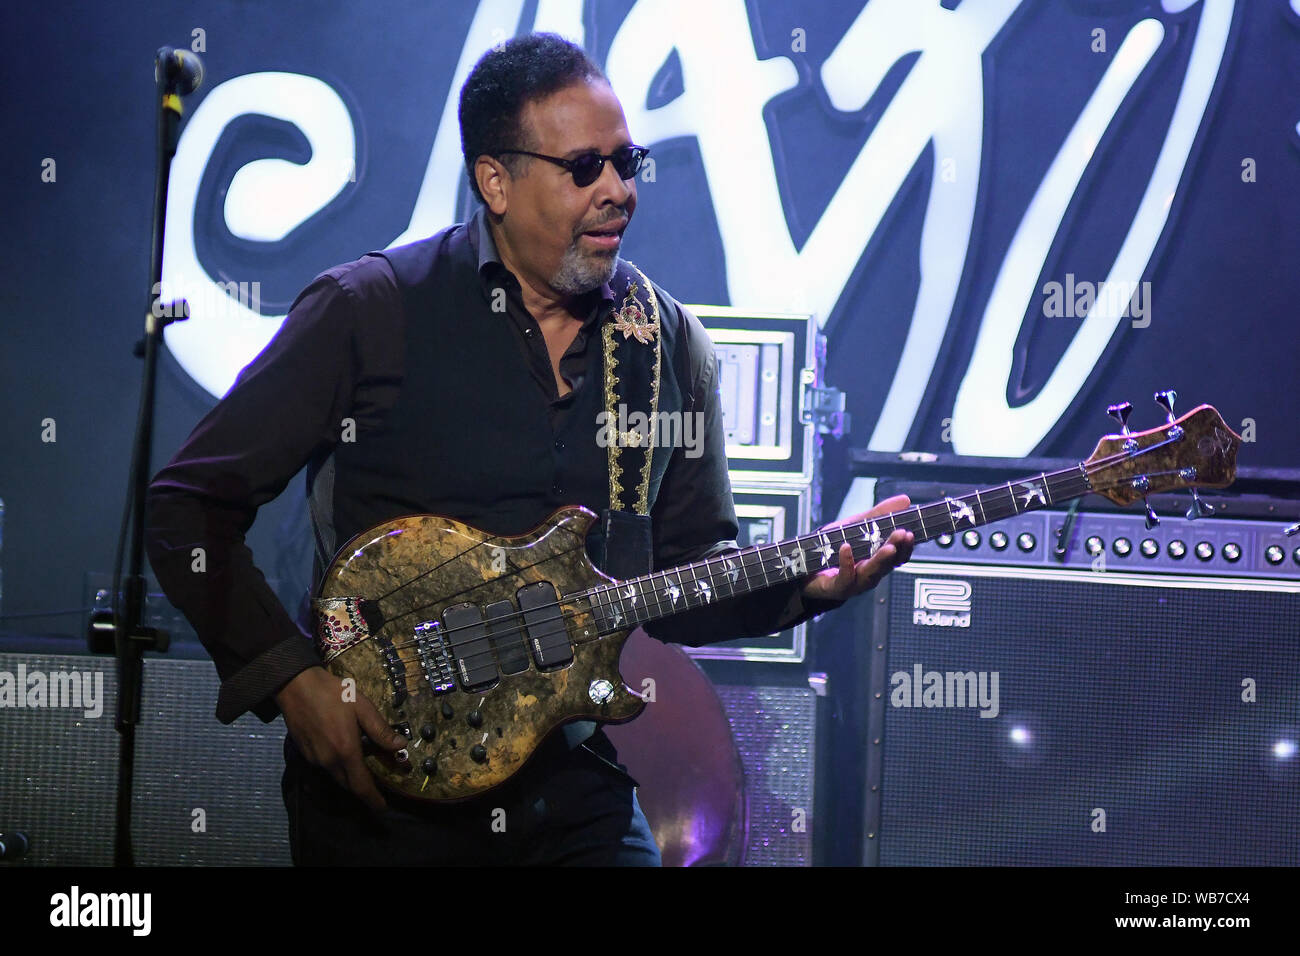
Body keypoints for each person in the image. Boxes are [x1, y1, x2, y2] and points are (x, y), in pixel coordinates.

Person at [144, 32, 914, 866]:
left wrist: (807, 588)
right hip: (387, 794)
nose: (619, 190)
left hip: (568, 789)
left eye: (628, 162)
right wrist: (293, 681)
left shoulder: (665, 344)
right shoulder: (369, 311)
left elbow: (682, 581)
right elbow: (187, 509)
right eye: (586, 167)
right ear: (496, 181)